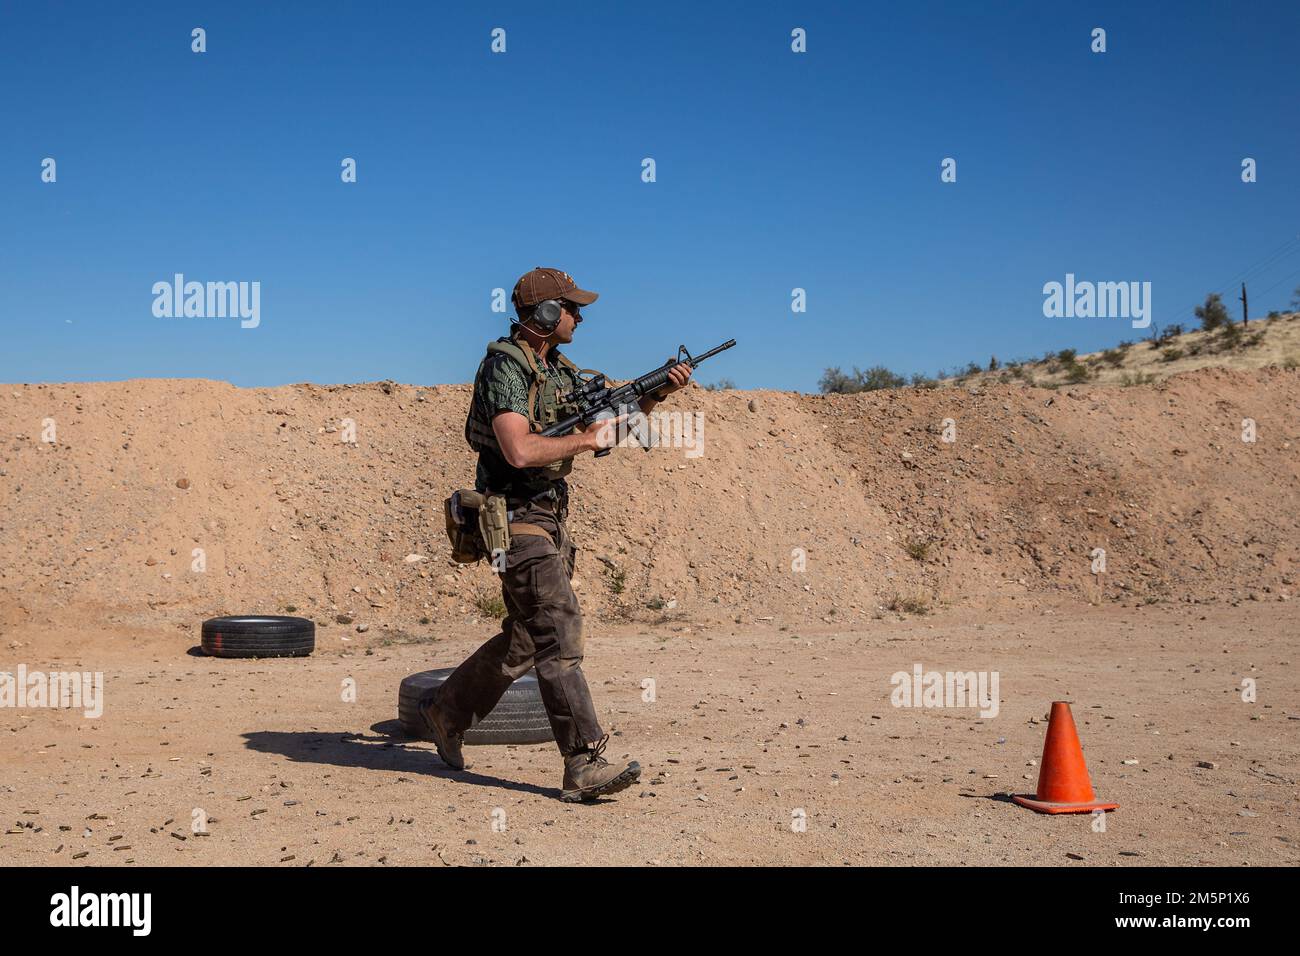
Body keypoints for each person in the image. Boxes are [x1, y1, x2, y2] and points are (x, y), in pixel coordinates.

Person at [420, 267, 693, 802]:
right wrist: (586, 441)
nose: (580, 316)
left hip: (547, 518)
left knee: (527, 638)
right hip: (513, 518)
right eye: (572, 308)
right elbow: (520, 450)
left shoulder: (559, 371)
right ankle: (583, 759)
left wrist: (653, 395)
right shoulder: (506, 368)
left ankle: (446, 712)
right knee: (560, 630)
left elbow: (613, 423)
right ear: (546, 314)